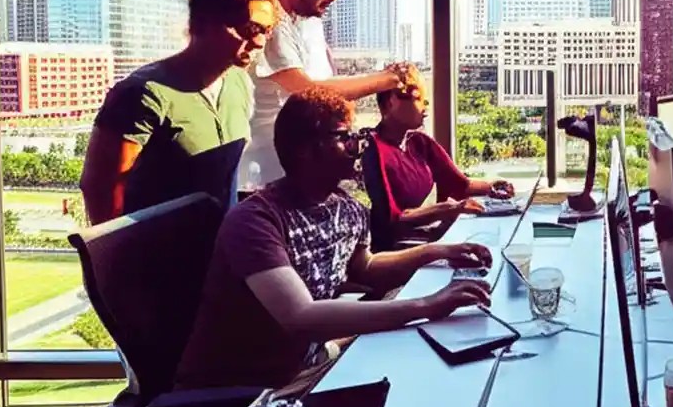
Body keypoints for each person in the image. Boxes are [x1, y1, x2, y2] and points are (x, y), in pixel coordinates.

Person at [177, 87, 492, 389]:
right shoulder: (256, 221)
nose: (358, 145)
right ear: (303, 148)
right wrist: (426, 305)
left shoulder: (345, 206)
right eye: (344, 137)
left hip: (308, 364)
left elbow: (365, 267)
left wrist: (437, 252)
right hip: (248, 390)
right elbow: (301, 317)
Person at [80, 0, 277, 224]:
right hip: (155, 259)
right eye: (248, 28)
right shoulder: (143, 93)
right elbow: (100, 192)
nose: (258, 42)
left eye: (265, 31)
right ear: (204, 22)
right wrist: (120, 261)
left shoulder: (238, 83)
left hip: (218, 255)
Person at [239, 0, 405, 191]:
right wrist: (387, 79)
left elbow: (330, 83)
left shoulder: (311, 23)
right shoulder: (273, 25)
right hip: (267, 178)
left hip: (307, 173)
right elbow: (307, 91)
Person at [361, 63, 515, 252]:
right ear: (392, 101)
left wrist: (493, 187)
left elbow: (460, 185)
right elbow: (394, 219)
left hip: (425, 240)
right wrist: (448, 209)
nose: (425, 107)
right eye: (418, 99)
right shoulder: (372, 148)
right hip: (393, 252)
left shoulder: (419, 143)